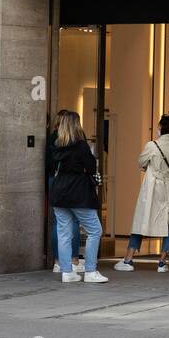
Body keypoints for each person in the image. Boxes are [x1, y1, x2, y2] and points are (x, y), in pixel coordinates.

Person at [114, 116, 169, 273]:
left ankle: (128, 259)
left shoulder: (152, 145)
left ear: (162, 128)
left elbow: (141, 162)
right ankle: (162, 262)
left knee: (142, 220)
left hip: (153, 188)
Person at [48, 111, 107, 284]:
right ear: (76, 125)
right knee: (95, 230)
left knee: (64, 233)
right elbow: (90, 166)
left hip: (59, 193)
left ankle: (67, 272)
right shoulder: (81, 146)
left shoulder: (57, 145)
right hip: (78, 193)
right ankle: (90, 270)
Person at [46, 108, 82, 274]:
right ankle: (74, 259)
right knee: (73, 220)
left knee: (59, 222)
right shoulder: (71, 141)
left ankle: (58, 261)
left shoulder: (52, 139)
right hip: (70, 182)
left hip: (54, 180)